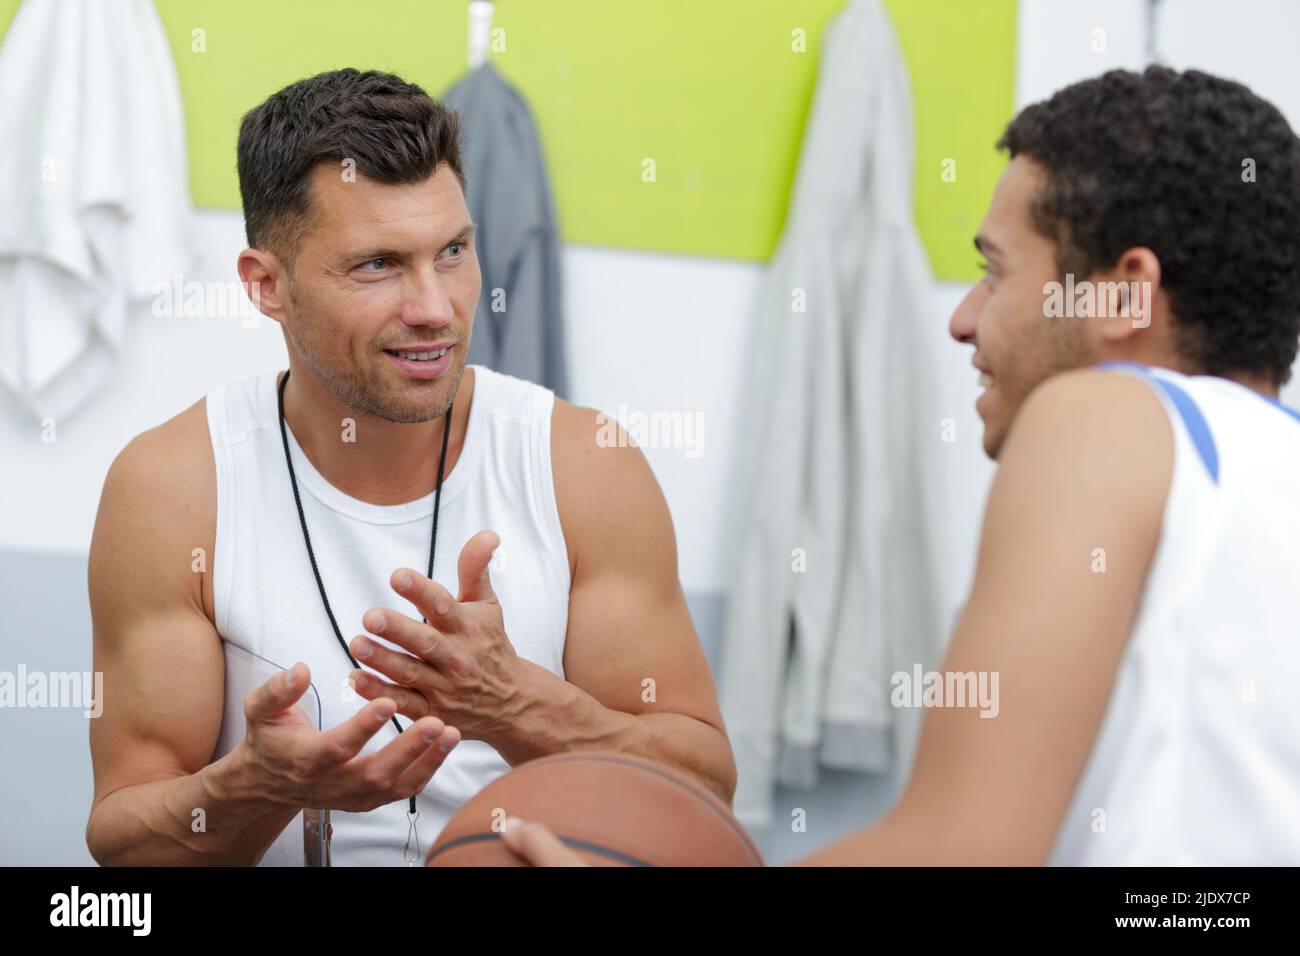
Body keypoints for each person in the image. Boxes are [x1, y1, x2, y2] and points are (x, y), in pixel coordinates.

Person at [501, 65, 1300, 866]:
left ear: (1123, 296)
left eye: (994, 271)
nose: (963, 318)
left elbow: (959, 853)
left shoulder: (1103, 413)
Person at [85, 68, 735, 866]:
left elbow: (705, 796)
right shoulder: (172, 488)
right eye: (378, 265)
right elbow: (127, 848)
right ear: (266, 286)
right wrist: (260, 787)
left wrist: (518, 705)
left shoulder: (583, 466)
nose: (436, 307)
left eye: (453, 252)